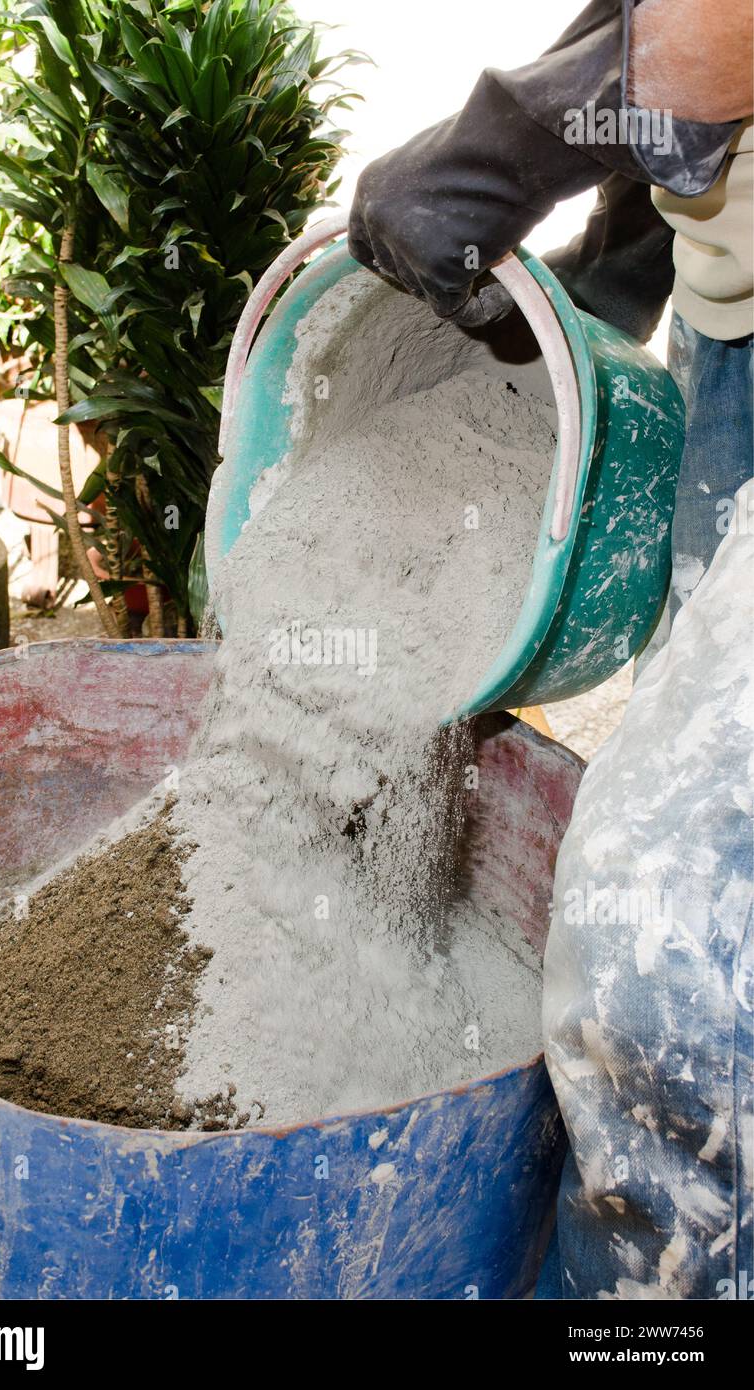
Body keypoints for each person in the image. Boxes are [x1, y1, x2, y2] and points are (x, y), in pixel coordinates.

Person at [349, 0, 753, 1299]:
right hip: (738, 324)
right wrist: (616, 274)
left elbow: (705, 34)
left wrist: (509, 144)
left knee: (674, 977)